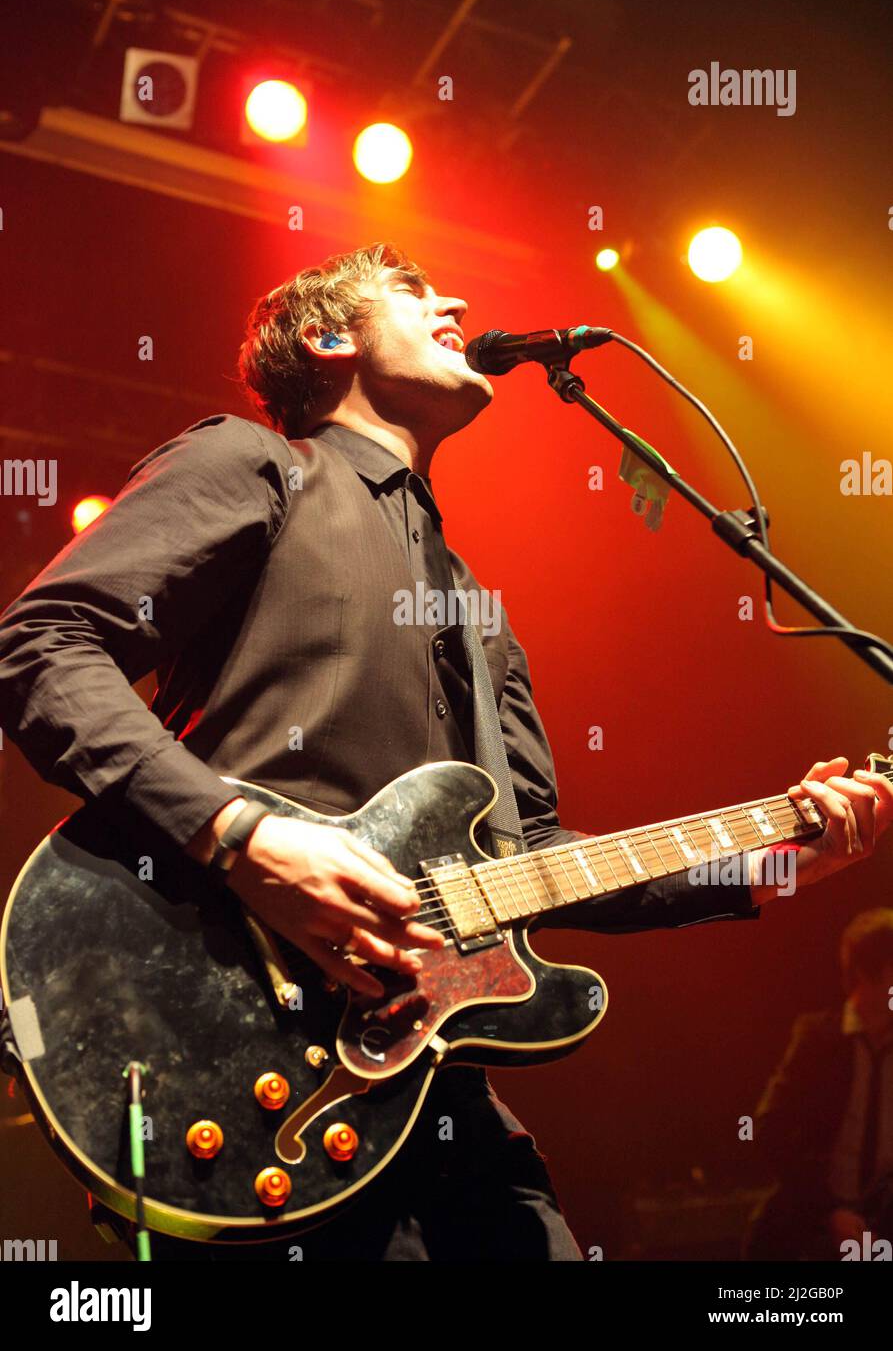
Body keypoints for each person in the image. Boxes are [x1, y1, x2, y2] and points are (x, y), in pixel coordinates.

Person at [0, 242, 889, 1262]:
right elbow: (41, 644)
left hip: (434, 1094)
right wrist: (241, 835)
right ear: (326, 337)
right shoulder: (256, 467)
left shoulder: (475, 607)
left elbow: (535, 855)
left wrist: (779, 855)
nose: (458, 300)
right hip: (226, 1047)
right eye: (416, 293)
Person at [743, 907, 893, 1261]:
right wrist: (829, 1212)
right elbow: (770, 1129)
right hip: (812, 1228)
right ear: (866, 975)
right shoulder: (817, 1039)